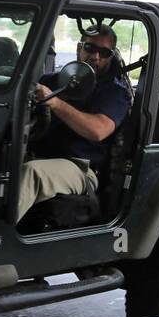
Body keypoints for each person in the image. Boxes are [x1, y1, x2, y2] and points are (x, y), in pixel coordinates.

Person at [16, 25, 133, 220]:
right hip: (37, 154)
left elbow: (98, 130)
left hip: (79, 167)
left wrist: (55, 103)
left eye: (104, 52)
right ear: (79, 48)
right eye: (90, 48)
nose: (95, 56)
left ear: (111, 56)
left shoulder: (114, 93)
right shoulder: (51, 81)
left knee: (31, 173)